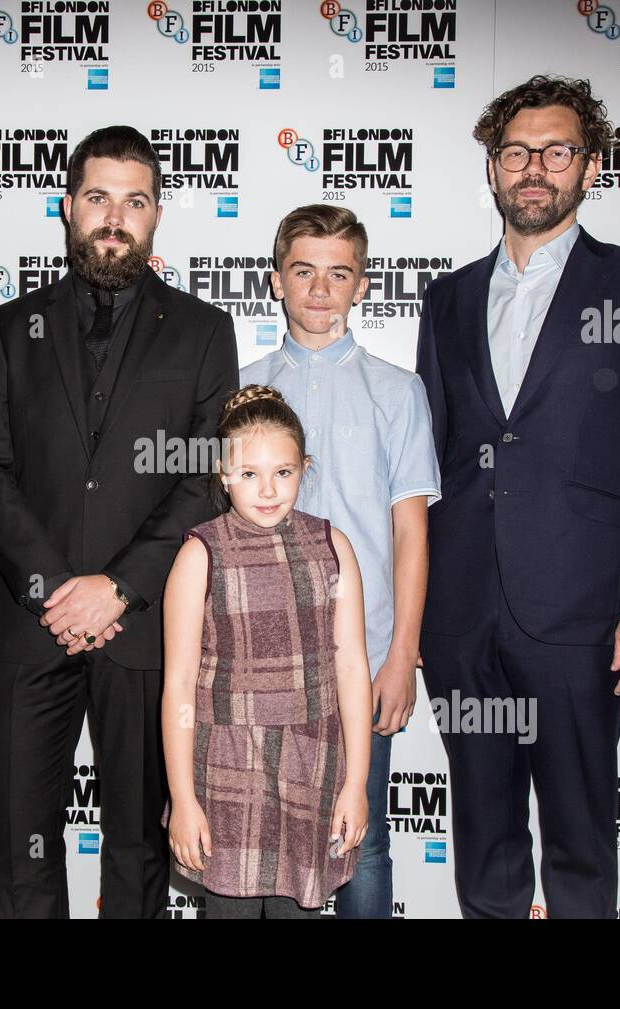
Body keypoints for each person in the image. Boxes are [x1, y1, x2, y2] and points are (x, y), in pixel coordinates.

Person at [414, 75, 620, 919]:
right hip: (465, 613)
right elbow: (432, 457)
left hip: (582, 615)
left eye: (556, 150)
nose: (534, 167)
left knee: (580, 843)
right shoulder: (448, 296)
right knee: (484, 839)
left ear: (591, 165)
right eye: (516, 152)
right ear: (493, 168)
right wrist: (423, 603)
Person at [0, 125, 239, 918]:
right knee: (24, 849)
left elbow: (204, 478)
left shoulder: (202, 329)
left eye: (134, 201)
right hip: (29, 622)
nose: (114, 217)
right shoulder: (10, 327)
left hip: (145, 630)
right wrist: (57, 590)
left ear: (156, 216)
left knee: (140, 851)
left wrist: (117, 586)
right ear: (67, 207)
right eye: (98, 198)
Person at [242, 206, 440, 919]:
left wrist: (402, 655)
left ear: (362, 285)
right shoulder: (240, 389)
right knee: (262, 836)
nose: (320, 288)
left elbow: (411, 533)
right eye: (303, 270)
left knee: (361, 838)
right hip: (258, 656)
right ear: (275, 281)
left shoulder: (397, 390)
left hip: (364, 654)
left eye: (338, 273)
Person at [161, 385, 373, 918]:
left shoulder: (332, 547)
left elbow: (350, 665)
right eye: (250, 473)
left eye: (283, 472)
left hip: (313, 762)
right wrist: (183, 800)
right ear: (223, 474)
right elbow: (180, 686)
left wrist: (356, 784)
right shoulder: (199, 555)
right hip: (226, 766)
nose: (268, 490)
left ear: (305, 467)